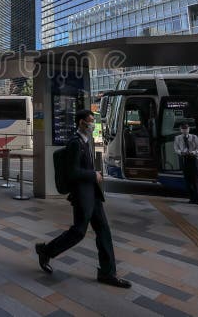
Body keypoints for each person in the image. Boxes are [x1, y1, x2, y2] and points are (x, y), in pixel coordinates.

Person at [35, 110, 130, 288]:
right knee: (78, 232)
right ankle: (45, 251)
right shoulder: (75, 143)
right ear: (81, 123)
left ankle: (107, 272)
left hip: (92, 194)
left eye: (93, 121)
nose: (93, 125)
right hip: (82, 195)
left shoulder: (86, 142)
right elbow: (72, 173)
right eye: (90, 121)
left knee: (103, 232)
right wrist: (93, 175)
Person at [174, 122, 198, 205]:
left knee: (196, 179)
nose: (185, 130)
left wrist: (193, 152)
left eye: (186, 128)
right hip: (184, 159)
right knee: (188, 180)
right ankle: (192, 198)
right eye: (183, 128)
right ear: (180, 130)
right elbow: (176, 149)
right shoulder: (177, 138)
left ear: (189, 129)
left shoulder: (194, 137)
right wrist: (181, 152)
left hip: (193, 159)